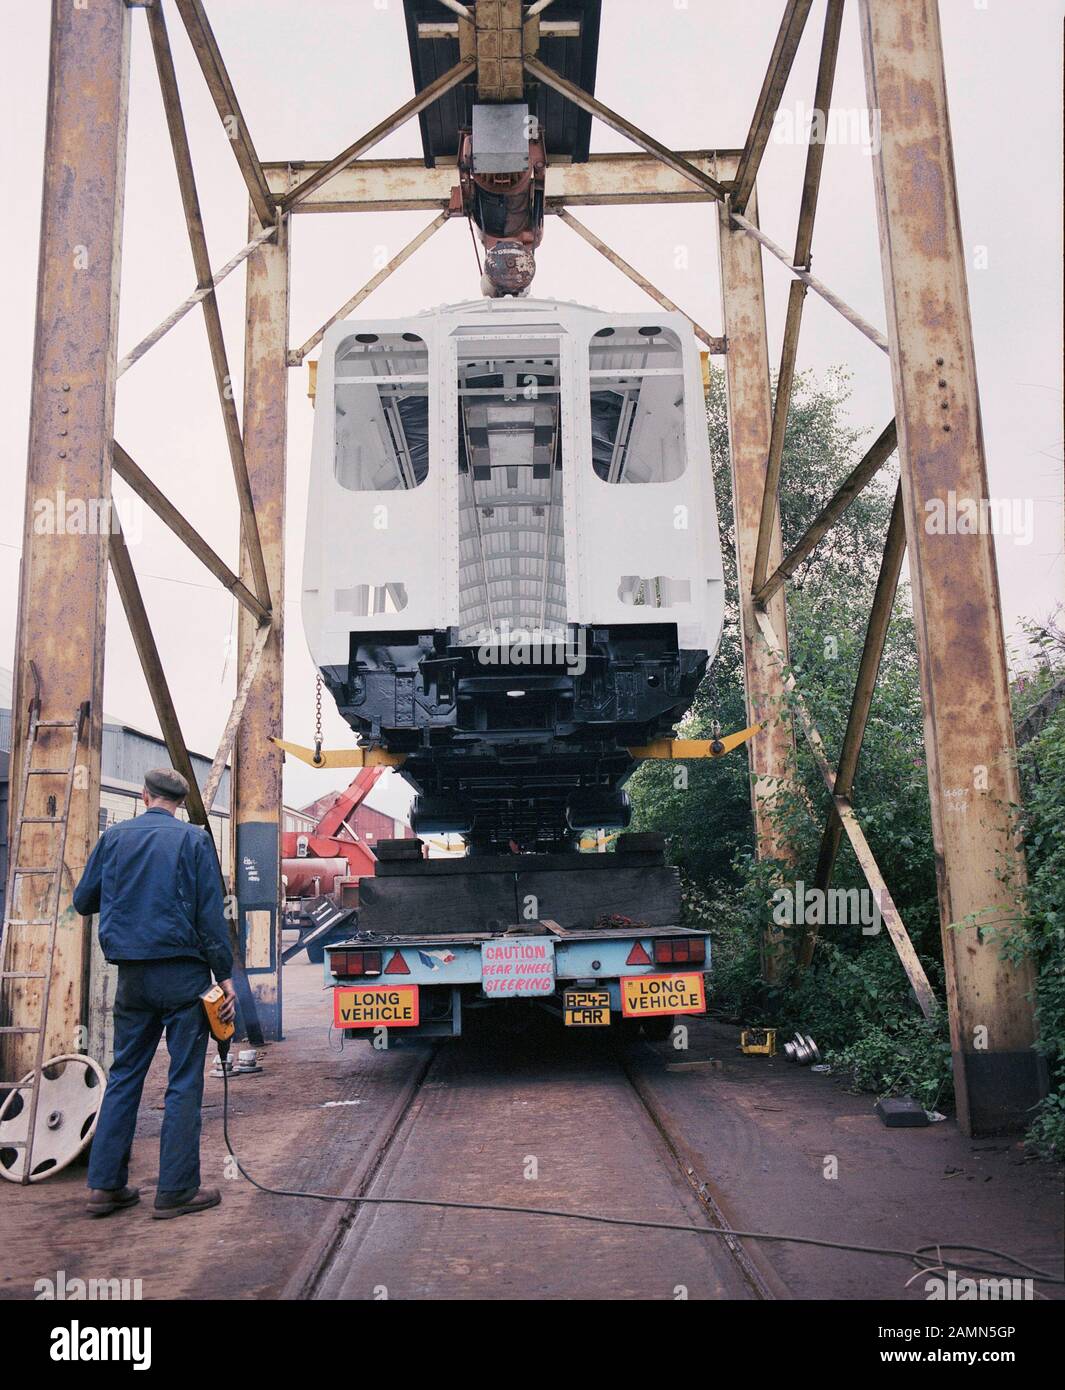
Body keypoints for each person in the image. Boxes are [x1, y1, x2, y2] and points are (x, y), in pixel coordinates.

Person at [73, 767, 237, 1219]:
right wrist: (224, 977)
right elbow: (210, 916)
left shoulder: (115, 838)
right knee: (183, 1081)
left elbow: (83, 901)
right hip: (183, 977)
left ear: (144, 795)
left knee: (125, 1075)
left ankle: (104, 1187)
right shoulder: (195, 841)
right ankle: (176, 1190)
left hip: (132, 978)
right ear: (179, 803)